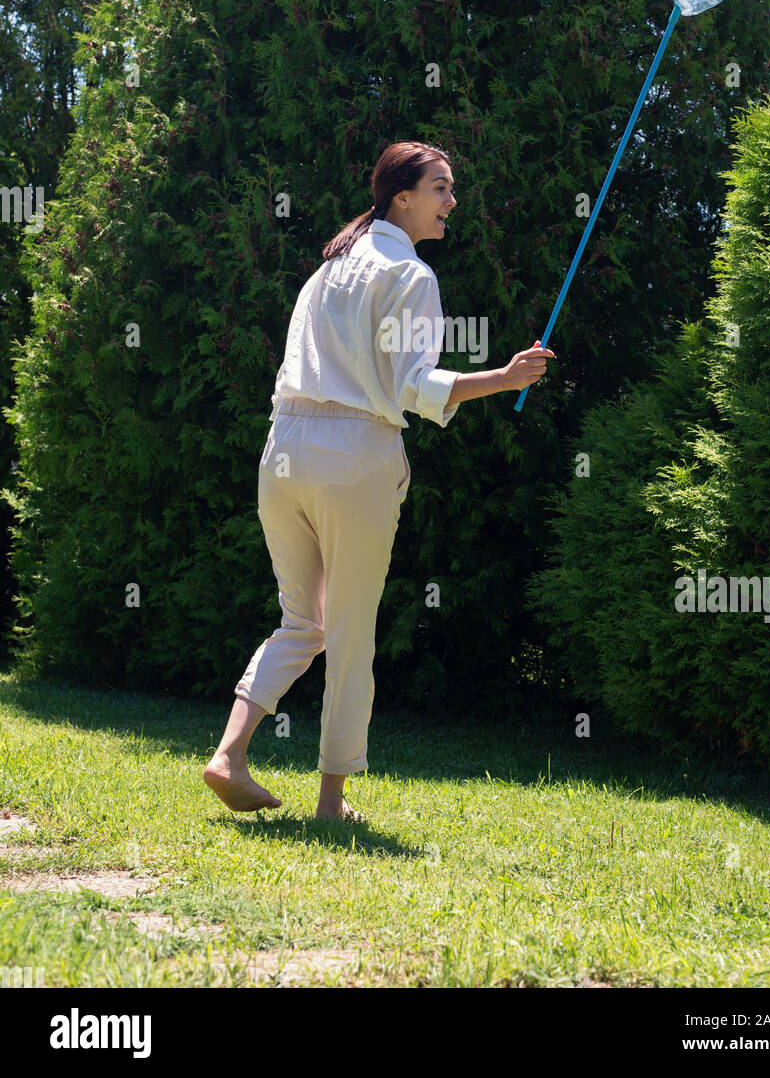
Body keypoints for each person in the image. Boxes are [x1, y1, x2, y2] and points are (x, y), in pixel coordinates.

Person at [203, 140, 554, 822]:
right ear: (402, 196)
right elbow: (415, 388)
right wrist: (505, 378)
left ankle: (229, 754)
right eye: (440, 189)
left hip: (283, 449)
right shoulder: (410, 275)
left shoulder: (329, 266)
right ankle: (331, 803)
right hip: (353, 454)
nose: (452, 201)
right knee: (351, 631)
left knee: (301, 622)